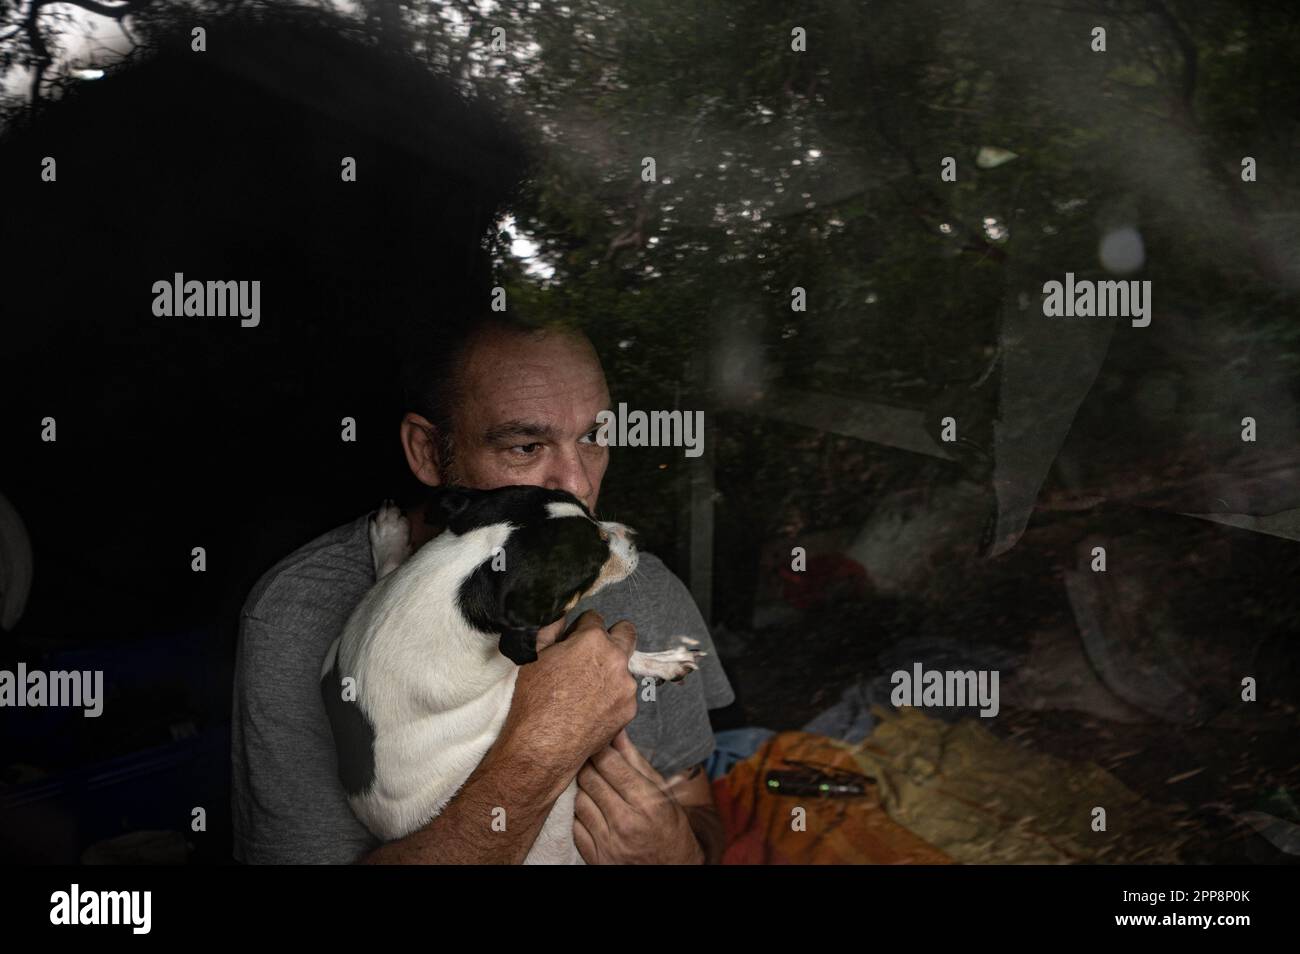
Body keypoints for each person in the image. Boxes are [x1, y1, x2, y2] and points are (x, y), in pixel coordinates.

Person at [232, 314, 734, 863]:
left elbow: (699, 810)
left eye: (593, 437)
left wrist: (680, 851)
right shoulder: (299, 614)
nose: (579, 484)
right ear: (426, 450)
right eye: (525, 446)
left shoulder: (646, 589)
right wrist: (544, 744)